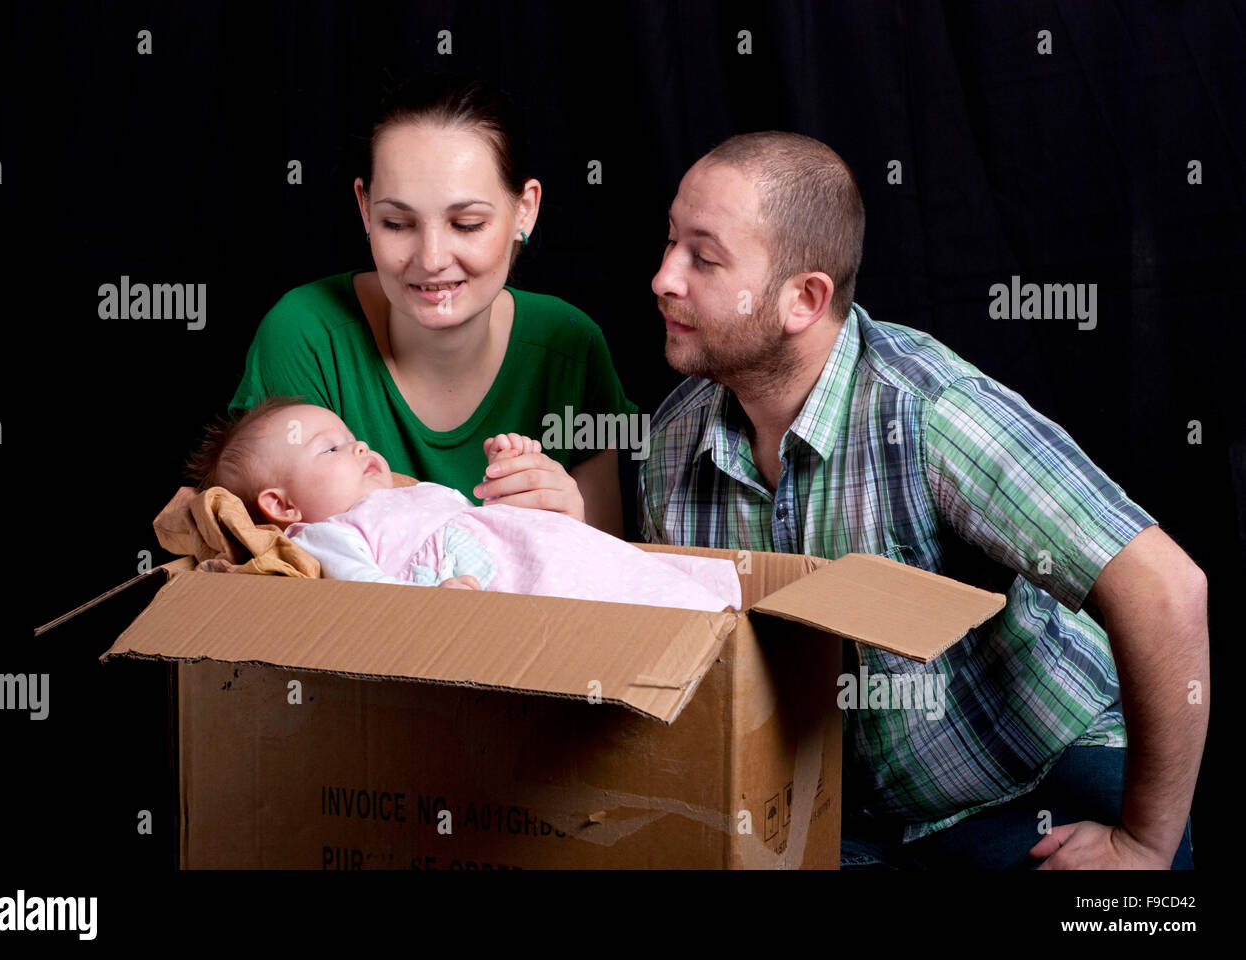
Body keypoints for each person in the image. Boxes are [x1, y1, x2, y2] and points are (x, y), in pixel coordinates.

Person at [638, 132, 1207, 869]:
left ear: (803, 299)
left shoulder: (931, 413)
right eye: (670, 243)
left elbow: (1168, 590)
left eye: (702, 258)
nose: (662, 278)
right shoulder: (674, 441)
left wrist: (1144, 844)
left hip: (1035, 780)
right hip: (851, 818)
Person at [229, 75, 636, 536]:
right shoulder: (303, 335)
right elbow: (273, 570)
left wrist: (572, 528)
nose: (432, 260)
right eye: (397, 223)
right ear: (364, 209)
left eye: (466, 224)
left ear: (525, 210)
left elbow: (611, 578)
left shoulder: (572, 343)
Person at [185, 397, 741, 612]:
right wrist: (429, 606)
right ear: (282, 506)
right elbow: (365, 596)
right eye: (330, 448)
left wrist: (509, 472)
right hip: (509, 594)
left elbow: (482, 520)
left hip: (544, 548)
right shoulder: (327, 534)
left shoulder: (408, 492)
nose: (358, 445)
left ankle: (693, 607)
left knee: (627, 572)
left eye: (352, 435)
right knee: (608, 609)